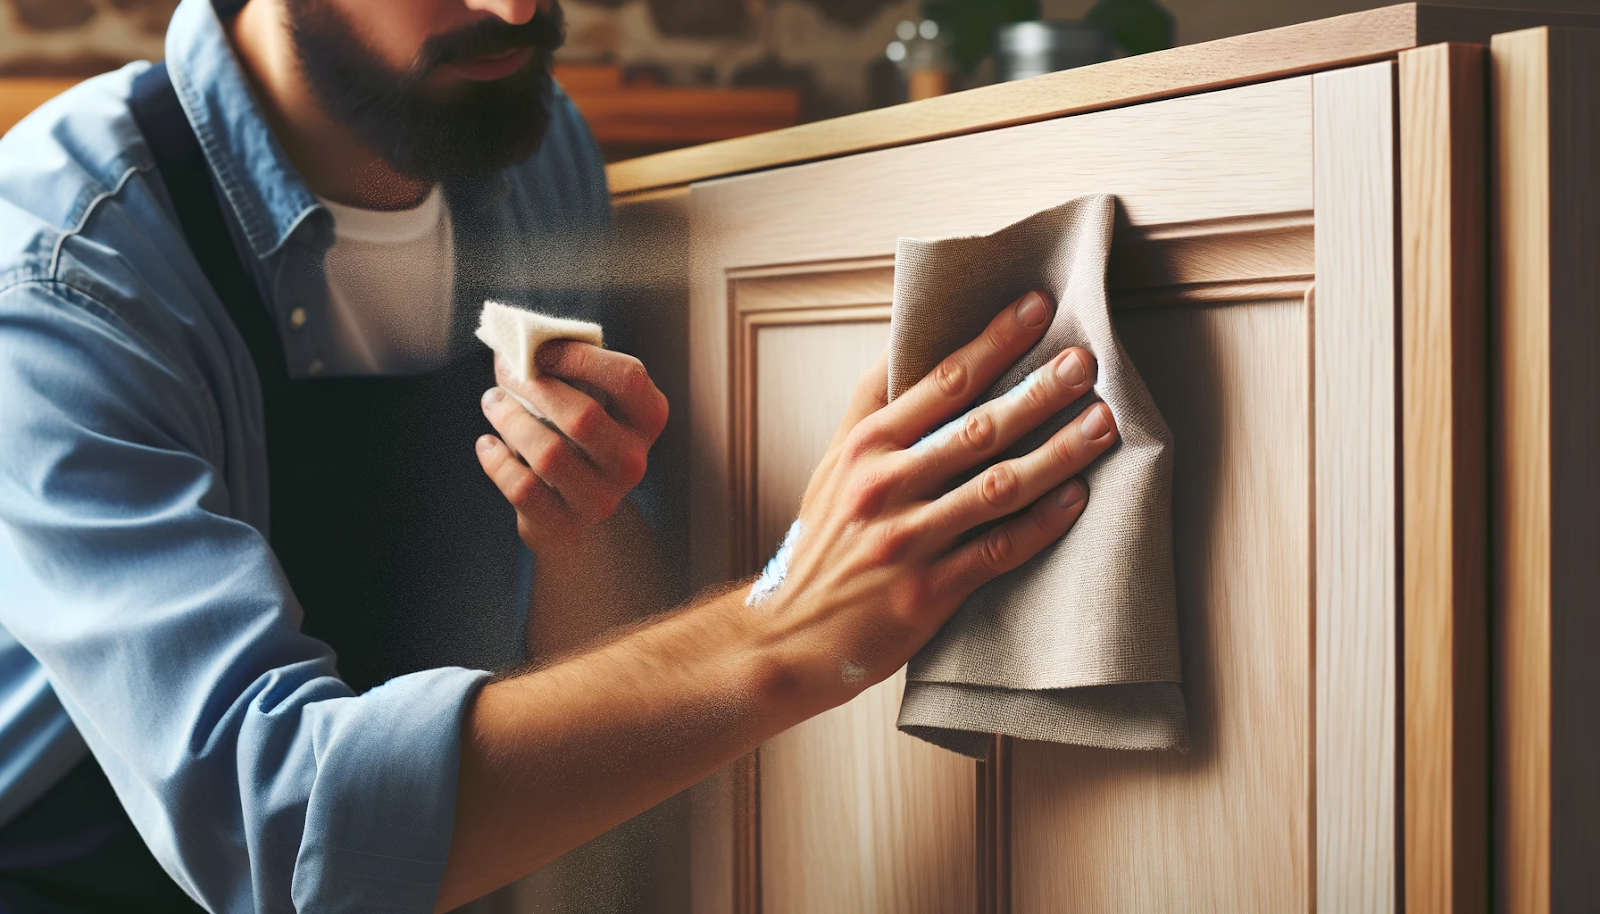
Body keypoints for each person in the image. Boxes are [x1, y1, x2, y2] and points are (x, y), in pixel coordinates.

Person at [0, 0, 1120, 909]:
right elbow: (274, 829)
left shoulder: (534, 158)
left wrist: (580, 524)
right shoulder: (65, 267)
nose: (515, 9)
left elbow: (588, 658)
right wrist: (788, 624)